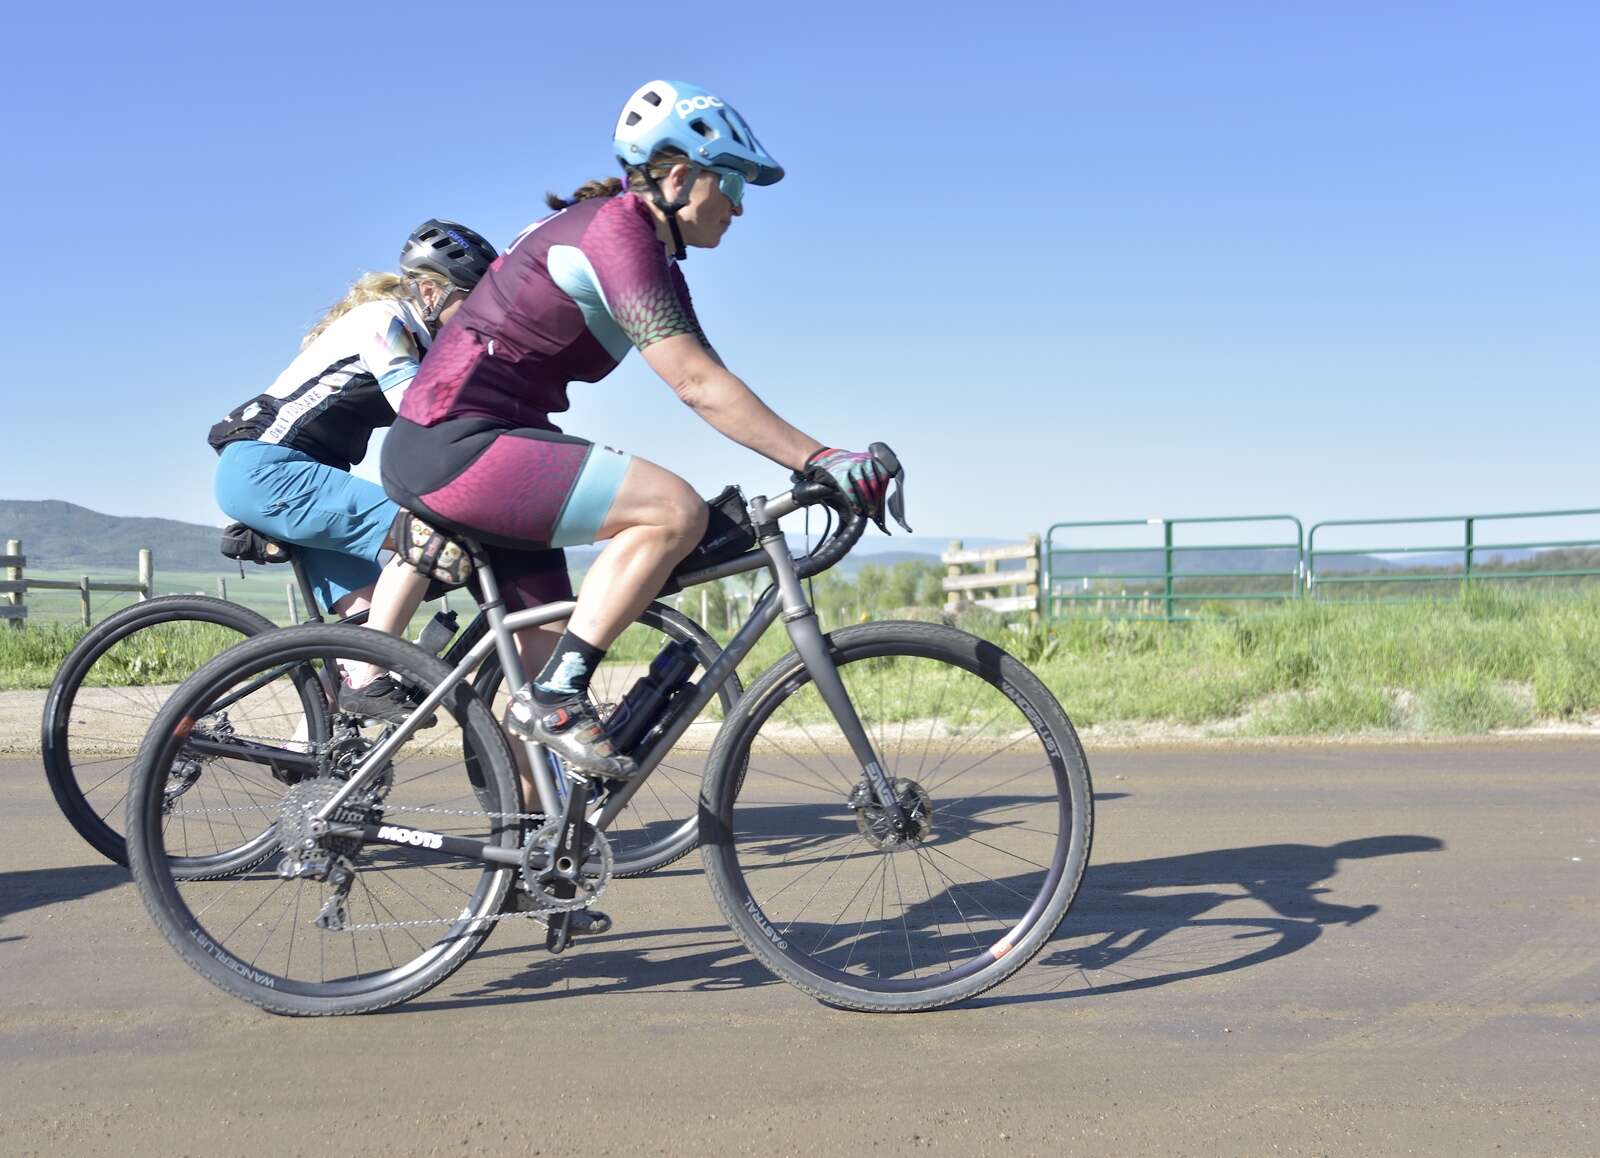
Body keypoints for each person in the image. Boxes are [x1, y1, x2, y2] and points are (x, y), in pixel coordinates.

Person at [381, 80, 890, 776]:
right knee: (669, 509)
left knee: (549, 649)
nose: (740, 205)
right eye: (733, 181)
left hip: (485, 445)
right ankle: (560, 697)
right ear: (679, 176)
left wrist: (807, 459)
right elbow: (697, 386)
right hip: (458, 444)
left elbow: (714, 378)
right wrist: (822, 457)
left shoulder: (650, 258)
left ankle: (534, 851)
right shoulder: (616, 233)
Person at [209, 219, 498, 719]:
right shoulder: (385, 322)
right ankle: (366, 679)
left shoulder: (423, 339)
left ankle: (312, 753)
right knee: (428, 537)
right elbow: (421, 415)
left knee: (368, 629)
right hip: (269, 470)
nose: (478, 317)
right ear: (431, 290)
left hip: (299, 477)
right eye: (470, 302)